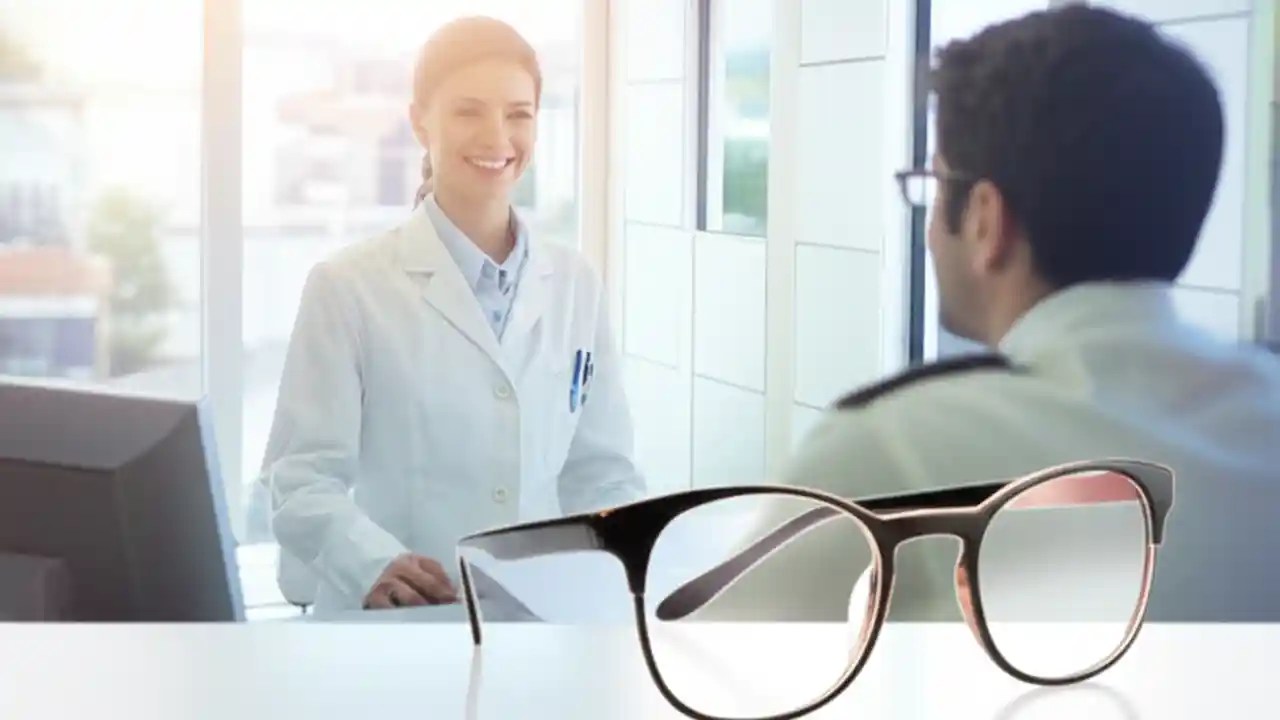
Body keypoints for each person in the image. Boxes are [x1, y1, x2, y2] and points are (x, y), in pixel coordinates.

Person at [678, 5, 1280, 623]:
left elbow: (707, 678)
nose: (931, 230)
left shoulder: (897, 449)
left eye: (934, 187)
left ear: (987, 220)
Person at [260, 16, 646, 615]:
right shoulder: (347, 288)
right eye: (469, 111)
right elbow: (298, 479)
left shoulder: (575, 283)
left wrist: (619, 576)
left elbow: (603, 471)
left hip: (539, 621)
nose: (498, 137)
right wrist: (370, 560)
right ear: (421, 122)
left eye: (519, 114)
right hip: (391, 623)